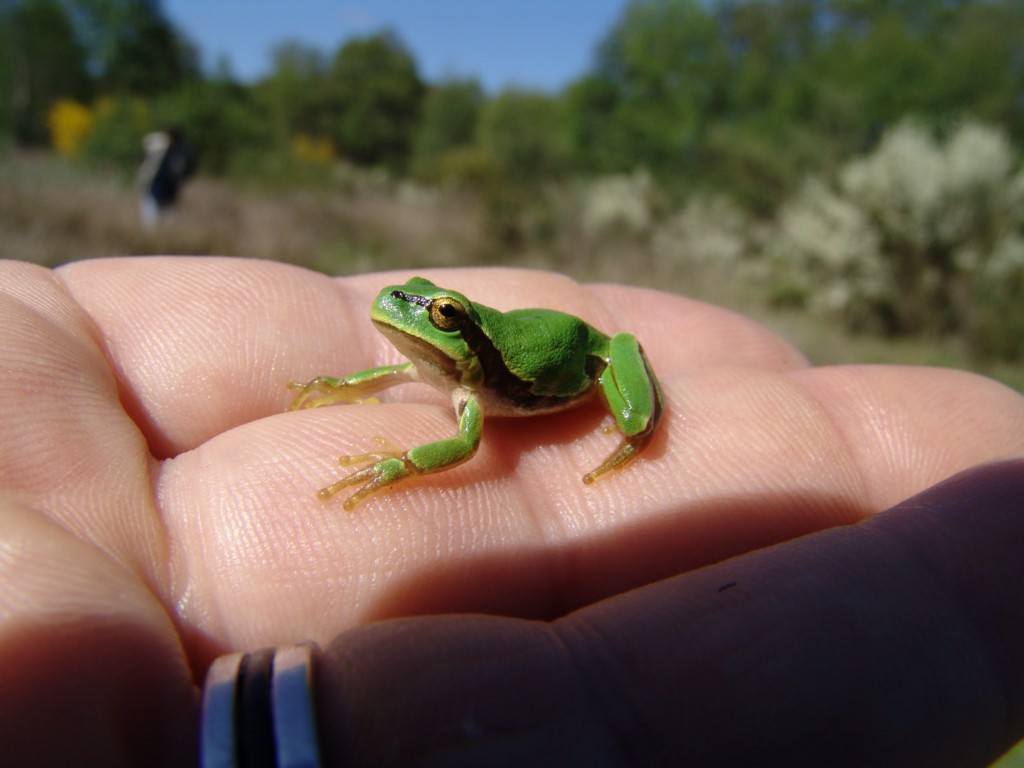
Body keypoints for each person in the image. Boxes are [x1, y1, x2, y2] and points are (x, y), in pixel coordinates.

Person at [1, 259, 1022, 766]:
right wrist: (353, 385)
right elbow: (412, 364)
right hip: (502, 352)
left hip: (569, 360)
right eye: (411, 303)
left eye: (434, 313)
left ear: (464, 334)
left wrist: (403, 465)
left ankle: (634, 427)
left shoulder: (484, 383)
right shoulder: (433, 356)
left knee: (621, 400)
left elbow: (464, 435)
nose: (407, 320)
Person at [138, 127, 190, 228]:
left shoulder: (180, 151)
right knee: (150, 224)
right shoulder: (158, 148)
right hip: (153, 189)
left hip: (168, 192)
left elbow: (181, 170)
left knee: (168, 224)